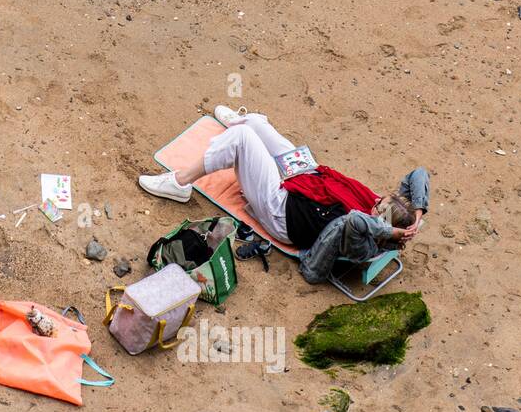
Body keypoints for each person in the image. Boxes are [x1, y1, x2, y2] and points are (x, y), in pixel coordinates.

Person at [138, 106, 430, 283]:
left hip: (283, 209)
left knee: (242, 140)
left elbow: (356, 220)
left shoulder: (363, 239)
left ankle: (180, 183)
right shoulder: (385, 210)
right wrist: (418, 213)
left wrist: (389, 231)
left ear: (383, 224)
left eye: (379, 206)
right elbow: (419, 174)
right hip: (310, 178)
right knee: (254, 124)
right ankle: (238, 123)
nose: (376, 200)